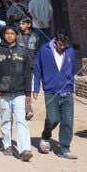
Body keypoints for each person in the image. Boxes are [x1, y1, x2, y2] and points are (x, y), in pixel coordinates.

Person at [0, 22, 35, 161]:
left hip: (19, 92)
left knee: (21, 120)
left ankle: (25, 149)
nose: (10, 36)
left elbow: (28, 73)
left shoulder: (23, 52)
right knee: (6, 119)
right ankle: (7, 145)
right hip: (3, 92)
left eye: (12, 34)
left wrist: (28, 93)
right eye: (7, 33)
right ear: (3, 35)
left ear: (16, 36)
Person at [32, 31, 78, 159]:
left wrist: (71, 84)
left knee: (68, 121)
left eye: (65, 45)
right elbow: (37, 68)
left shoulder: (70, 51)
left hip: (67, 91)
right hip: (50, 90)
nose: (62, 47)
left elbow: (72, 68)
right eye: (60, 44)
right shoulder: (45, 50)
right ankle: (45, 136)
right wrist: (36, 88)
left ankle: (64, 148)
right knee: (53, 118)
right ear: (55, 40)